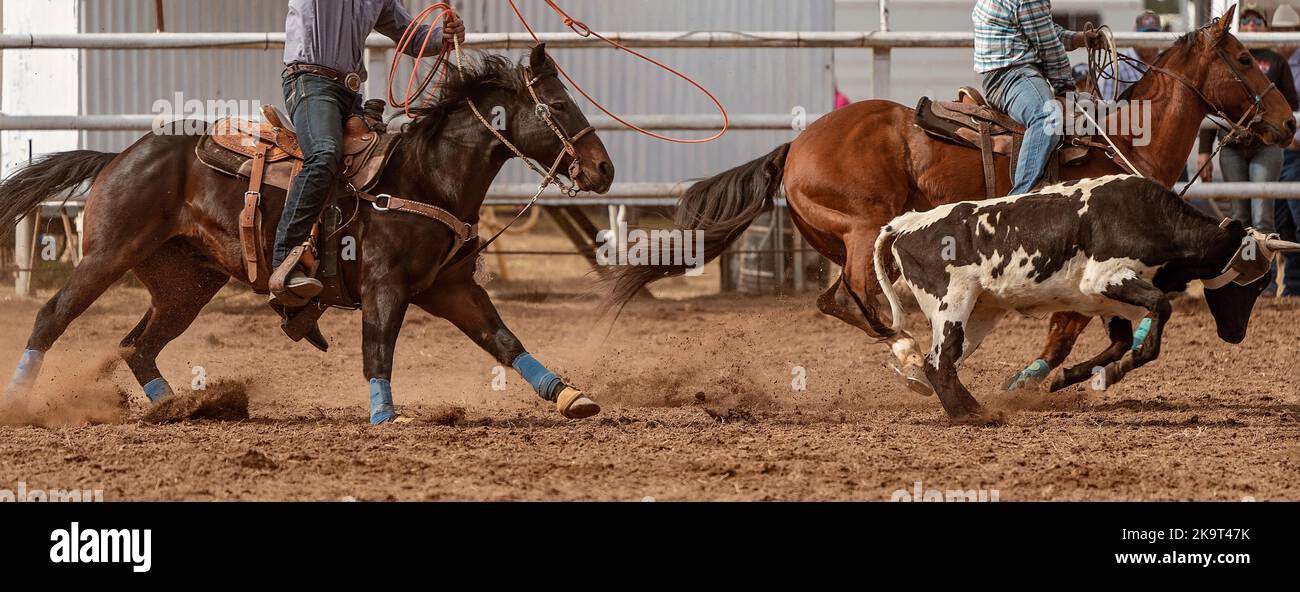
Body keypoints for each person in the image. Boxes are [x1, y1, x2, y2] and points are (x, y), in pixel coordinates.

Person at [273, 1, 466, 302]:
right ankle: (284, 258)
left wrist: (442, 37)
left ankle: (353, 263)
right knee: (324, 155)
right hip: (310, 84)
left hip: (348, 94)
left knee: (386, 165)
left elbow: (412, 37)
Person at [1197, 5, 1299, 296]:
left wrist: (1287, 130)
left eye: (1257, 21)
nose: (1252, 26)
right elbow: (1212, 106)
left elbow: (1289, 102)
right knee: (1240, 217)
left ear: (1264, 28)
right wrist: (1205, 151)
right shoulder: (1225, 60)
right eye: (1246, 21)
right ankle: (1243, 281)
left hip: (1264, 146)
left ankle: (1262, 284)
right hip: (1231, 145)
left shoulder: (1275, 61)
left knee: (1263, 214)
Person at [973, 0, 1097, 195]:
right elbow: (1048, 46)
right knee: (1047, 117)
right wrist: (1064, 87)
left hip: (1004, 73)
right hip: (1011, 75)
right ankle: (1019, 198)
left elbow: (1043, 30)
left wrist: (1078, 39)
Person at [1273, 3, 1300, 296]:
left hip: (1294, 151)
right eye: (1278, 30)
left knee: (1296, 218)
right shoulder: (1267, 63)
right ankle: (1283, 285)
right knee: (1278, 221)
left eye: (1289, 30)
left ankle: (1294, 285)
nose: (1283, 36)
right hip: (1276, 151)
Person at [1096, 10, 1163, 103]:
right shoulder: (1115, 70)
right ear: (1135, 36)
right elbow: (1104, 113)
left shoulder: (1165, 64)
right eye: (1145, 37)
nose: (1149, 43)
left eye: (1154, 37)